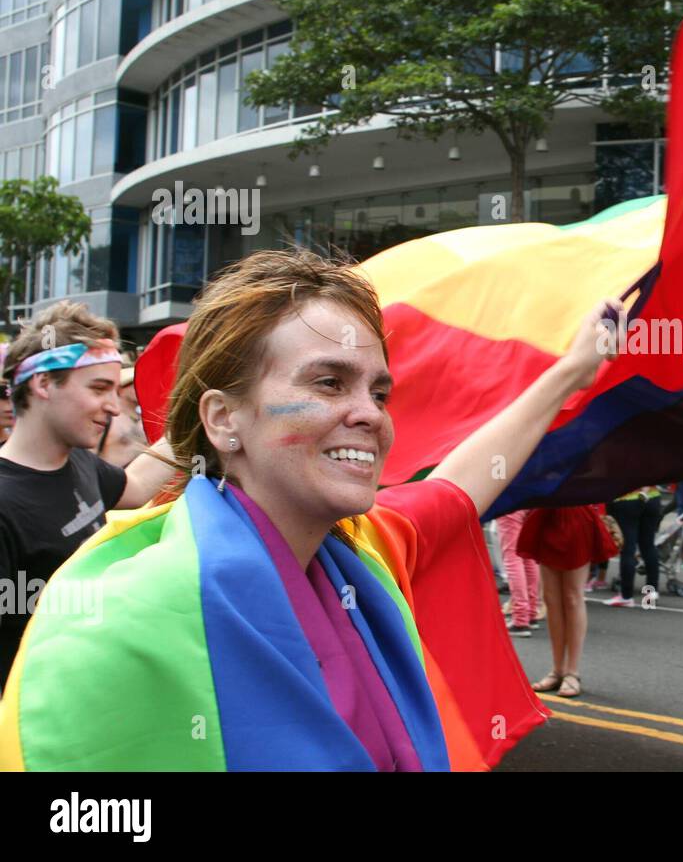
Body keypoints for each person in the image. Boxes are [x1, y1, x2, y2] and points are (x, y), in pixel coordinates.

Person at [0, 250, 617, 770]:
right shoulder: (117, 627)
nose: (370, 414)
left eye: (379, 391)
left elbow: (459, 487)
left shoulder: (362, 552)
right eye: (329, 383)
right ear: (222, 419)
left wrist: (573, 371)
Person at [0, 302, 176, 687]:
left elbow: (136, 486)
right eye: (99, 389)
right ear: (43, 384)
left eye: (115, 390)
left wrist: (195, 416)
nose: (113, 407)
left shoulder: (79, 462)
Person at [519, 504, 619, 698]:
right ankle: (557, 670)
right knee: (552, 599)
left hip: (576, 515)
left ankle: (572, 672)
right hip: (547, 515)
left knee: (572, 597)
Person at [605, 486, 662, 608]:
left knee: (628, 549)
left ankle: (626, 596)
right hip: (652, 497)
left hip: (627, 499)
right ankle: (651, 594)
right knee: (648, 547)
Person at [497, 509, 539, 637]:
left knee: (512, 557)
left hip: (511, 501)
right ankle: (531, 613)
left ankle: (521, 619)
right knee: (527, 556)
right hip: (532, 499)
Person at [98, 365, 148, 469]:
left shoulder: (144, 418)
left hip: (139, 480)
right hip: (112, 480)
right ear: (120, 390)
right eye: (134, 384)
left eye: (144, 383)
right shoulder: (106, 418)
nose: (141, 387)